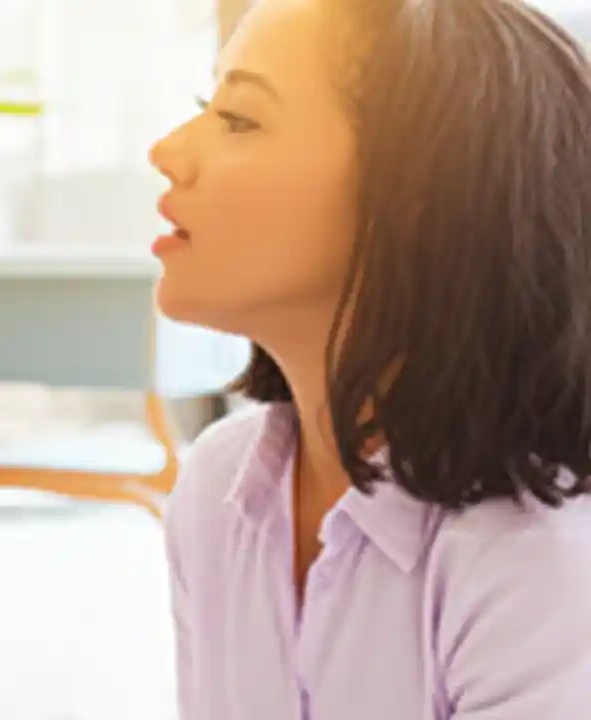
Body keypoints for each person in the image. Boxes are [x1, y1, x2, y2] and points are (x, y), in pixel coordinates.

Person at [148, 0, 591, 718]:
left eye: (239, 118)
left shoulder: (539, 563)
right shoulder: (221, 491)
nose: (168, 150)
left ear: (417, 194)